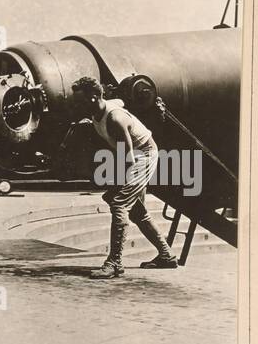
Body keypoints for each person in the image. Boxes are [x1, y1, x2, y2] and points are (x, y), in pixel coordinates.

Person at [69, 76, 177, 279]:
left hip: (142, 155)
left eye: (79, 100)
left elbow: (128, 156)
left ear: (93, 98)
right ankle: (167, 255)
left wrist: (117, 184)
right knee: (137, 211)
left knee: (119, 203)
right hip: (134, 155)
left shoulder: (114, 119)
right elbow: (118, 101)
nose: (76, 104)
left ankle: (115, 262)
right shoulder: (98, 109)